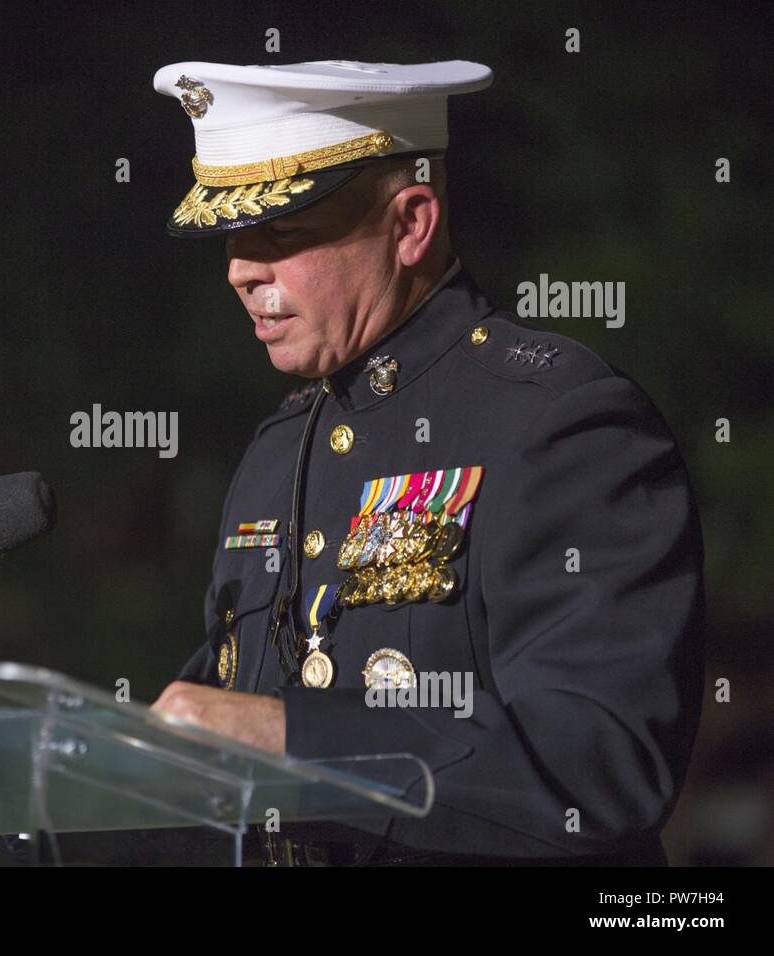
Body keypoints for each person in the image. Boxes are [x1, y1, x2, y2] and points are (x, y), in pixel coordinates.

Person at [147, 59, 705, 865]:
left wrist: (294, 738)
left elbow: (602, 767)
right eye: (233, 238)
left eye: (284, 232)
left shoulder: (560, 420)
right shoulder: (279, 448)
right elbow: (200, 743)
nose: (241, 269)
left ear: (411, 224)